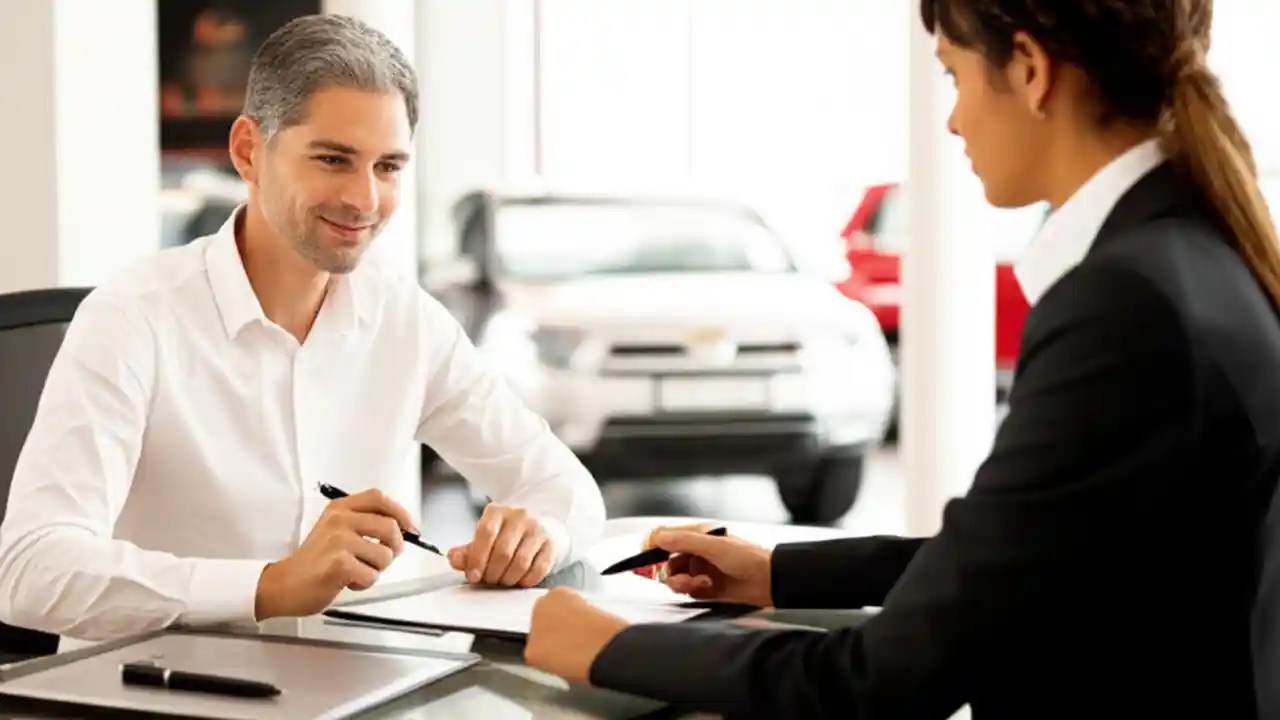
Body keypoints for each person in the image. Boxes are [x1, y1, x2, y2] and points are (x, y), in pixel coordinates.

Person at [524, 1, 1280, 717]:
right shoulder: (1193, 253)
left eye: (954, 74)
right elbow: (1018, 548)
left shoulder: (1126, 302)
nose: (951, 119)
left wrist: (611, 647)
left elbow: (878, 681)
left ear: (1027, 67)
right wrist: (779, 572)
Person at [0, 14, 604, 647]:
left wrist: (537, 533)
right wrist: (268, 585)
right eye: (333, 160)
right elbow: (31, 570)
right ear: (248, 151)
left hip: (358, 687)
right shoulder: (132, 317)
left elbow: (567, 491)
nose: (364, 199)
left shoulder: (405, 318)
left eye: (388, 167)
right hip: (164, 694)